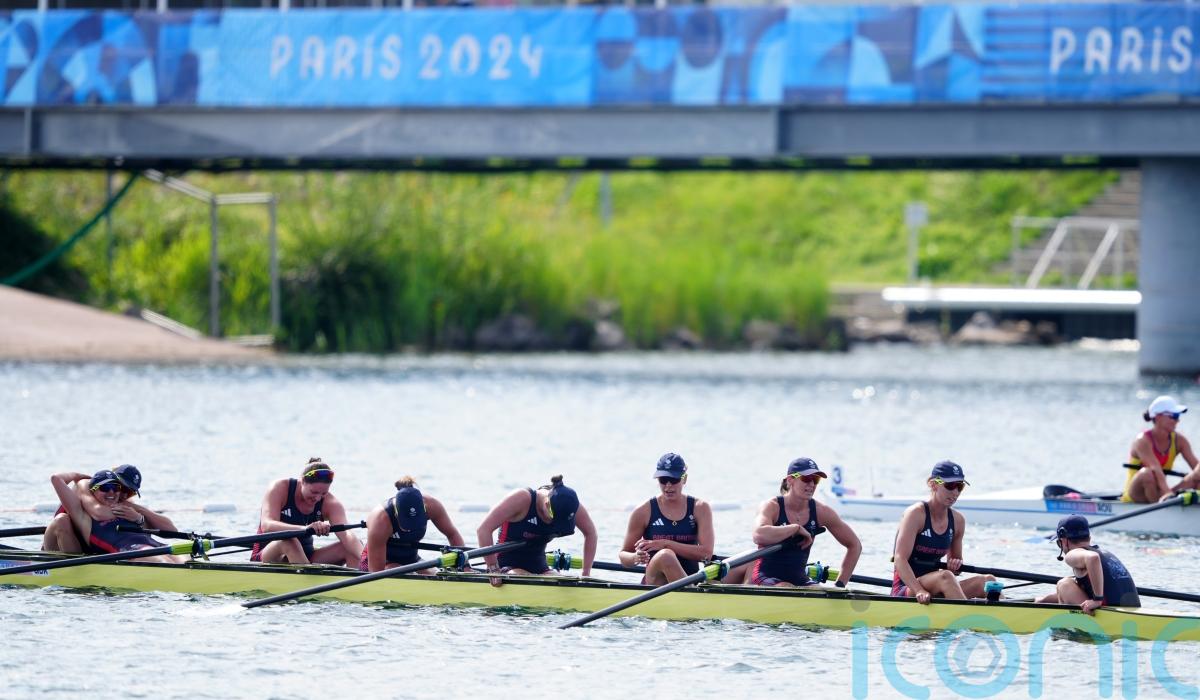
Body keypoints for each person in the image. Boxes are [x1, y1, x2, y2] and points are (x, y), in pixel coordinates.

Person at [745, 457, 862, 588]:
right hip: (764, 576)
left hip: (799, 578)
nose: (812, 484)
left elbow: (855, 545)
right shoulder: (772, 506)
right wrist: (795, 528)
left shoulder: (822, 512)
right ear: (790, 480)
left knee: (817, 590)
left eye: (816, 479)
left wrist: (840, 585)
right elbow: (758, 535)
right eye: (806, 479)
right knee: (785, 587)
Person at [892, 460, 995, 603]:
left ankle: (1010, 616)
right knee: (945, 577)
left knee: (988, 581)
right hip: (907, 589)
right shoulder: (916, 514)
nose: (955, 492)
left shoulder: (958, 521)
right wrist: (919, 590)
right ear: (933, 484)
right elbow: (899, 560)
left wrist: (956, 565)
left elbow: (955, 570)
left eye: (959, 487)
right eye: (950, 485)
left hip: (939, 585)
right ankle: (969, 620)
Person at [476, 475, 597, 585]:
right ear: (546, 505)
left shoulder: (569, 504)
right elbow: (483, 530)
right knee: (525, 578)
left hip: (540, 566)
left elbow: (591, 533)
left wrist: (586, 574)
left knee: (563, 582)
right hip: (506, 564)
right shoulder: (521, 499)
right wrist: (493, 569)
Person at [48, 469, 184, 563]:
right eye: (105, 488)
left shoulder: (130, 511)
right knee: (160, 559)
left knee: (184, 555)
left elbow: (171, 530)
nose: (111, 492)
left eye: (116, 488)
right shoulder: (84, 513)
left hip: (153, 545)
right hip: (131, 550)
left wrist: (138, 517)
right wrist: (80, 476)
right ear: (92, 491)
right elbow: (56, 478)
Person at [618, 453, 714, 585]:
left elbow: (706, 554)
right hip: (656, 583)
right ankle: (692, 597)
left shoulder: (700, 508)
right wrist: (635, 557)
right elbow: (623, 555)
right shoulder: (643, 511)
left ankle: (690, 593)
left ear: (684, 479)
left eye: (674, 480)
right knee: (665, 556)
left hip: (690, 579)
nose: (668, 486)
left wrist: (665, 544)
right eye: (663, 480)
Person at [252, 457, 363, 566]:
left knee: (351, 547)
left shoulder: (331, 503)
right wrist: (305, 529)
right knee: (289, 540)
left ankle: (362, 578)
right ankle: (306, 578)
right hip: (268, 556)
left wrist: (365, 559)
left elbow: (347, 535)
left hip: (306, 558)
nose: (318, 498)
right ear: (302, 481)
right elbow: (267, 525)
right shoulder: (280, 489)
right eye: (314, 492)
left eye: (323, 493)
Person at [1035, 514, 1140, 613]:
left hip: (1111, 613)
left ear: (1063, 541)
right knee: (1071, 583)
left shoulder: (1075, 554)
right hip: (1134, 610)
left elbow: (1092, 558)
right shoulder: (1105, 554)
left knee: (1064, 584)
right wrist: (1043, 600)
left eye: (1058, 543)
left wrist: (1097, 600)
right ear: (1089, 538)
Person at [360, 476, 466, 573]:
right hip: (376, 564)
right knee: (408, 573)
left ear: (423, 509)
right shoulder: (380, 520)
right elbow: (376, 573)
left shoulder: (432, 506)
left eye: (415, 522)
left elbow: (452, 534)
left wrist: (464, 566)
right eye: (407, 522)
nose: (410, 528)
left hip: (411, 560)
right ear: (396, 513)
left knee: (437, 574)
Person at [1123, 395, 1198, 503]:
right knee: (1147, 474)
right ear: (1158, 417)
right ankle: (1163, 511)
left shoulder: (1180, 441)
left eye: (1178, 416)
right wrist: (1168, 493)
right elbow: (1156, 469)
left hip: (1159, 493)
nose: (1177, 421)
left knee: (1196, 478)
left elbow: (1196, 467)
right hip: (1135, 494)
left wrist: (1196, 475)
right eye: (1174, 416)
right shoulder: (1142, 441)